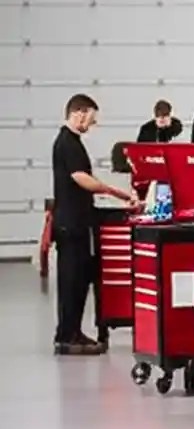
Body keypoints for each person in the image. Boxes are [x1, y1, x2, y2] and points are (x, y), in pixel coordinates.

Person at [51, 94, 138, 356]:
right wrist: (116, 192)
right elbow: (81, 178)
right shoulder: (68, 143)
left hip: (77, 221)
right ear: (79, 112)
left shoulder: (71, 141)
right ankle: (68, 336)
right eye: (91, 118)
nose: (92, 124)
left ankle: (72, 332)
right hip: (71, 224)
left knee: (79, 281)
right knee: (72, 281)